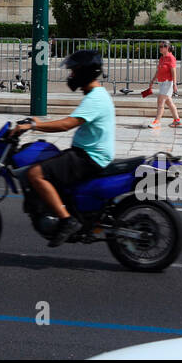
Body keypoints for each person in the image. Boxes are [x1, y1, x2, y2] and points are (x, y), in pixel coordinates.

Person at [8, 50, 116, 247]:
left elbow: (67, 124)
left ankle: (67, 220)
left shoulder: (95, 99)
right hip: (87, 154)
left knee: (35, 174)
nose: (71, 76)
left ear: (85, 72)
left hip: (89, 158)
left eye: (74, 71)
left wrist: (34, 126)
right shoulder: (96, 94)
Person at [146, 40, 182, 130]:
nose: (160, 48)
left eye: (162, 47)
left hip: (168, 83)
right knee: (169, 102)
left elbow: (173, 72)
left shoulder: (171, 58)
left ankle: (157, 121)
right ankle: (177, 120)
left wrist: (174, 84)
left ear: (167, 48)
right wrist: (153, 80)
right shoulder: (162, 58)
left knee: (160, 102)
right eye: (160, 46)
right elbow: (158, 70)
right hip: (162, 83)